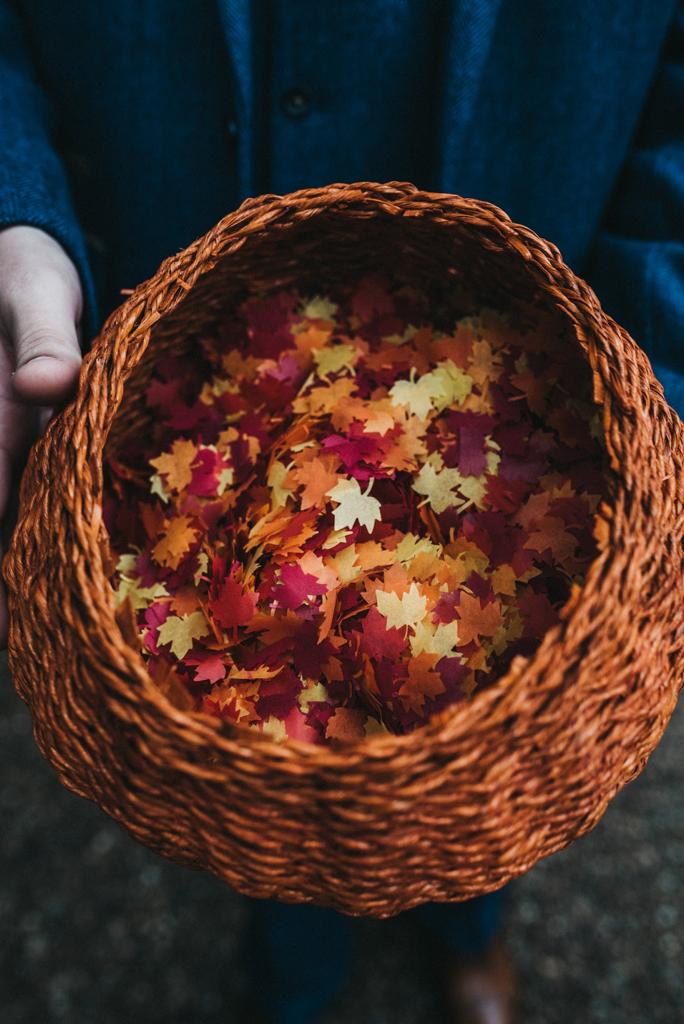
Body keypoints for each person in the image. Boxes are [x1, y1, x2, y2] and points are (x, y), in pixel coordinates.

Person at [0, 3, 681, 1023]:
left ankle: (470, 926)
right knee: (269, 791)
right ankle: (295, 967)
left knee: (493, 748)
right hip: (193, 250)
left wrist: (657, 382)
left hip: (531, 254)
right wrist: (19, 214)